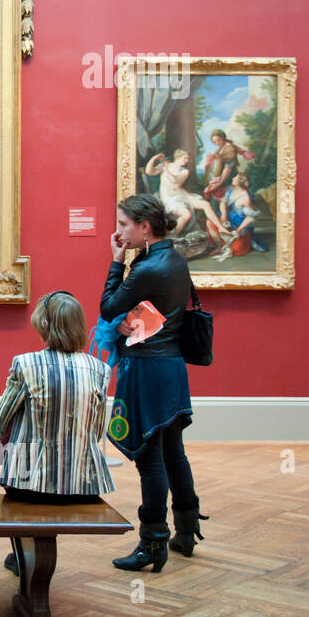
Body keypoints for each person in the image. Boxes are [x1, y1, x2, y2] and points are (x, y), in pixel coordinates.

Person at [102, 193, 206, 572]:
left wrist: (116, 261)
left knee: (150, 456)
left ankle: (153, 543)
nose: (119, 231)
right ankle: (186, 529)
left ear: (145, 227)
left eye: (124, 224)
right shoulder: (173, 258)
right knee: (174, 450)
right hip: (173, 366)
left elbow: (108, 307)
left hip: (147, 368)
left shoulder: (146, 268)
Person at [0, 291, 115, 576]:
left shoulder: (25, 364)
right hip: (83, 486)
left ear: (44, 325)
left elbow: (0, 422)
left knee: (23, 453)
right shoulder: (100, 369)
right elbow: (96, 431)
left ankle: (22, 555)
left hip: (28, 486)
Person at [142, 150, 231, 240]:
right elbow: (149, 171)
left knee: (206, 204)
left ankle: (221, 228)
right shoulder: (164, 166)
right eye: (185, 158)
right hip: (170, 198)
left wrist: (166, 169)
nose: (187, 161)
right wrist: (155, 158)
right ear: (178, 157)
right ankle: (171, 236)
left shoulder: (185, 171)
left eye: (188, 159)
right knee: (186, 214)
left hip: (183, 195)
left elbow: (175, 181)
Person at [215, 174, 268, 260]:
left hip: (240, 225)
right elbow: (223, 202)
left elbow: (251, 218)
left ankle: (231, 243)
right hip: (228, 219)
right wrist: (224, 214)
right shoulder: (231, 190)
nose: (232, 178)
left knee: (237, 249)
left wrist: (239, 230)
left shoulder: (246, 198)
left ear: (240, 181)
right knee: (210, 223)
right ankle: (218, 247)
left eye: (235, 178)